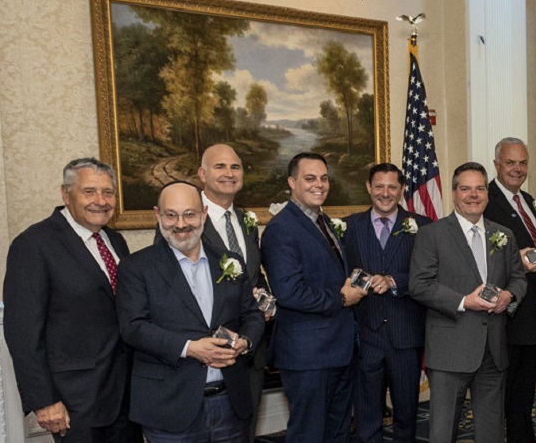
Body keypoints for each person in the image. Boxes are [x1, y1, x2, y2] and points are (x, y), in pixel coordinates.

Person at [3, 158, 141, 443]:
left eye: (108, 192)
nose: (101, 201)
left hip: (126, 396)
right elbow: (22, 332)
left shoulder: (115, 240)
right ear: (66, 194)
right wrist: (43, 400)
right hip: (75, 400)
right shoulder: (34, 244)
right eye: (89, 191)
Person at [115, 181, 265, 442]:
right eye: (171, 215)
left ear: (203, 214)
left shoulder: (230, 261)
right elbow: (133, 327)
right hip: (170, 407)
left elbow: (252, 315)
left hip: (231, 403)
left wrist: (245, 342)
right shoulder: (136, 267)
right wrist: (189, 348)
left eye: (189, 214)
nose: (181, 224)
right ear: (157, 215)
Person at [158, 144, 272, 440]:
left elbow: (252, 275)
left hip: (247, 352)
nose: (229, 173)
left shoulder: (246, 221)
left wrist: (265, 300)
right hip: (202, 360)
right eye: (220, 166)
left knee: (243, 434)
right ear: (202, 174)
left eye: (235, 167)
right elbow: (170, 284)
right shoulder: (183, 221)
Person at [410, 162, 527, 443]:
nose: (473, 195)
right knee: (442, 432)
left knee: (492, 431)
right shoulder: (432, 234)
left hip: (493, 350)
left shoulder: (504, 234)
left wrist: (509, 296)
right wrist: (464, 301)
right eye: (465, 189)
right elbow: (419, 285)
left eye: (479, 189)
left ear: (487, 194)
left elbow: (518, 278)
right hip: (450, 350)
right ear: (454, 193)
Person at [261, 152, 368, 442]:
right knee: (308, 434)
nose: (319, 185)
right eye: (310, 178)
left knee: (338, 432)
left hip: (340, 349)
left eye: (323, 178)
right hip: (308, 356)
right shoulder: (281, 229)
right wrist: (341, 298)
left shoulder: (323, 221)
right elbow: (289, 292)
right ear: (292, 182)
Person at [342, 164, 432, 442]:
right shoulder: (348, 226)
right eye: (379, 186)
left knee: (406, 413)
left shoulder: (423, 226)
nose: (385, 193)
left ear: (402, 189)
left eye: (392, 187)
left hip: (406, 335)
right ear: (369, 187)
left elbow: (429, 274)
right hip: (365, 334)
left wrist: (395, 281)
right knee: (367, 413)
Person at [482, 137, 536, 443]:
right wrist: (516, 264)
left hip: (533, 316)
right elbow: (477, 260)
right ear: (496, 164)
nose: (517, 169)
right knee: (503, 395)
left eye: (523, 163)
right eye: (510, 162)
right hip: (505, 318)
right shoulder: (484, 201)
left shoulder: (529, 201)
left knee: (523, 394)